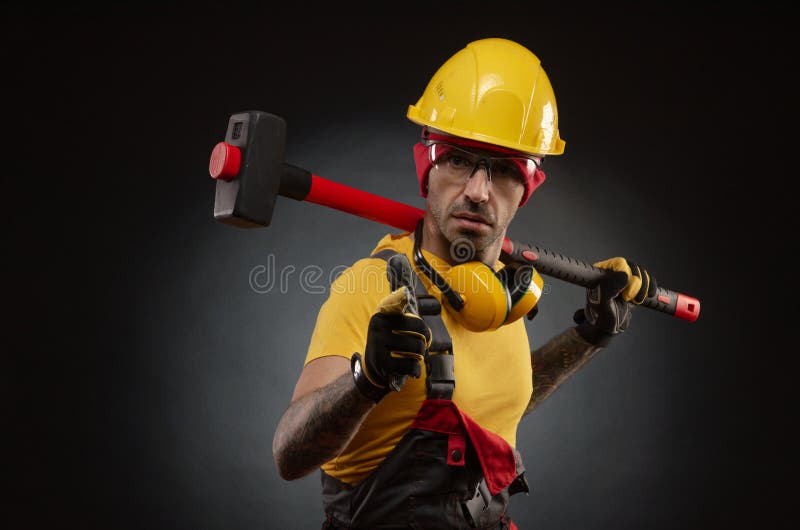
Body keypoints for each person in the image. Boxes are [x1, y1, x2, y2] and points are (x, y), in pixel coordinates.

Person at [272, 38, 654, 529]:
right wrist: (365, 379)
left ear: (528, 188)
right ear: (426, 167)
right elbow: (289, 454)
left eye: (502, 171)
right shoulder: (374, 284)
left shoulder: (499, 292)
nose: (477, 191)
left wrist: (588, 337)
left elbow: (487, 404)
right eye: (457, 160)